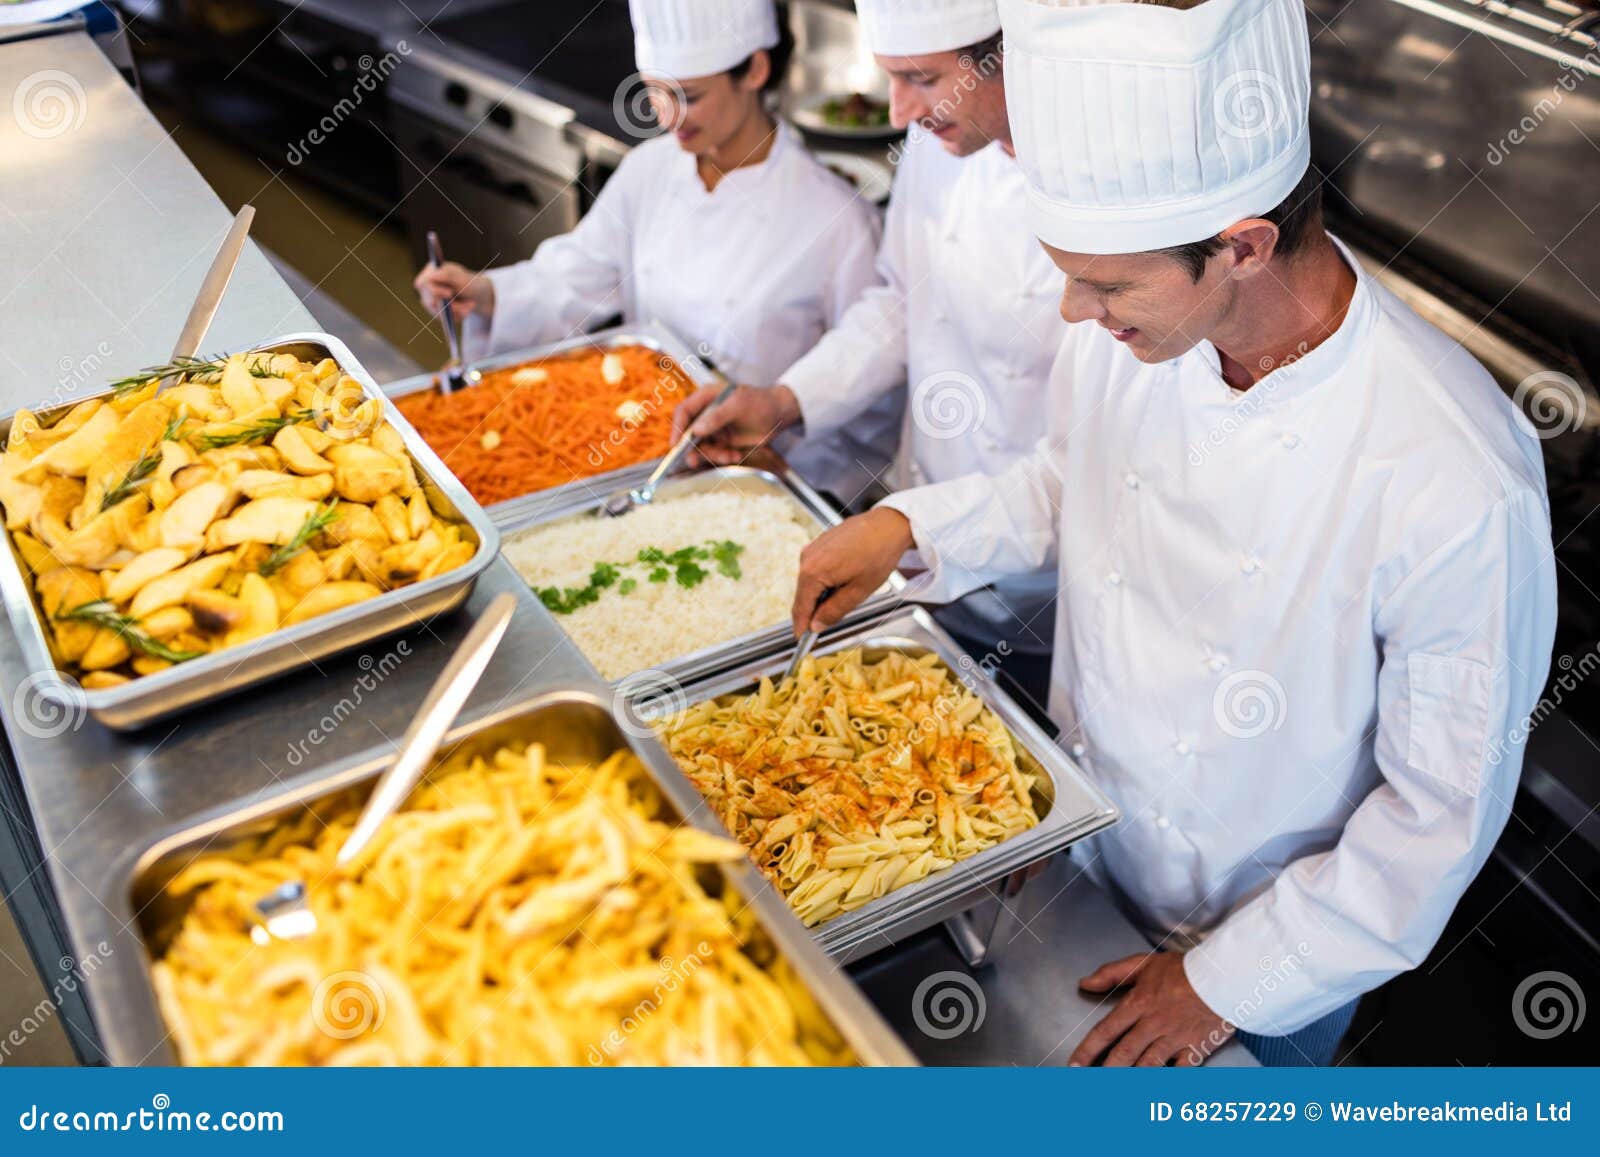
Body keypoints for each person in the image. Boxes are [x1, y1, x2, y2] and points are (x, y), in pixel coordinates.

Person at [788, 0, 1557, 1066]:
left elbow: (1434, 816)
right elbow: (1073, 477)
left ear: (1240, 246)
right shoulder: (1131, 336)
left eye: (1101, 283)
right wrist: (908, 522)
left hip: (1254, 954)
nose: (1070, 310)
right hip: (1067, 843)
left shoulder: (1454, 475)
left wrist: (1225, 981)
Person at [674, 0, 1066, 703]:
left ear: (1010, 55)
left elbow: (1085, 467)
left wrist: (905, 524)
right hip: (925, 548)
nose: (896, 111)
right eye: (891, 77)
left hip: (1047, 583)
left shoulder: (1095, 193)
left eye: (919, 77)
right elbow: (899, 301)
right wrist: (785, 400)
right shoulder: (939, 141)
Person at [412, 0, 891, 502]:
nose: (669, 116)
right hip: (638, 455)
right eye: (655, 93)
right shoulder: (651, 170)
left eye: (690, 96)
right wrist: (486, 294)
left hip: (758, 485)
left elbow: (869, 401)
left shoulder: (837, 220)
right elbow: (575, 276)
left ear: (755, 69)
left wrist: (795, 480)